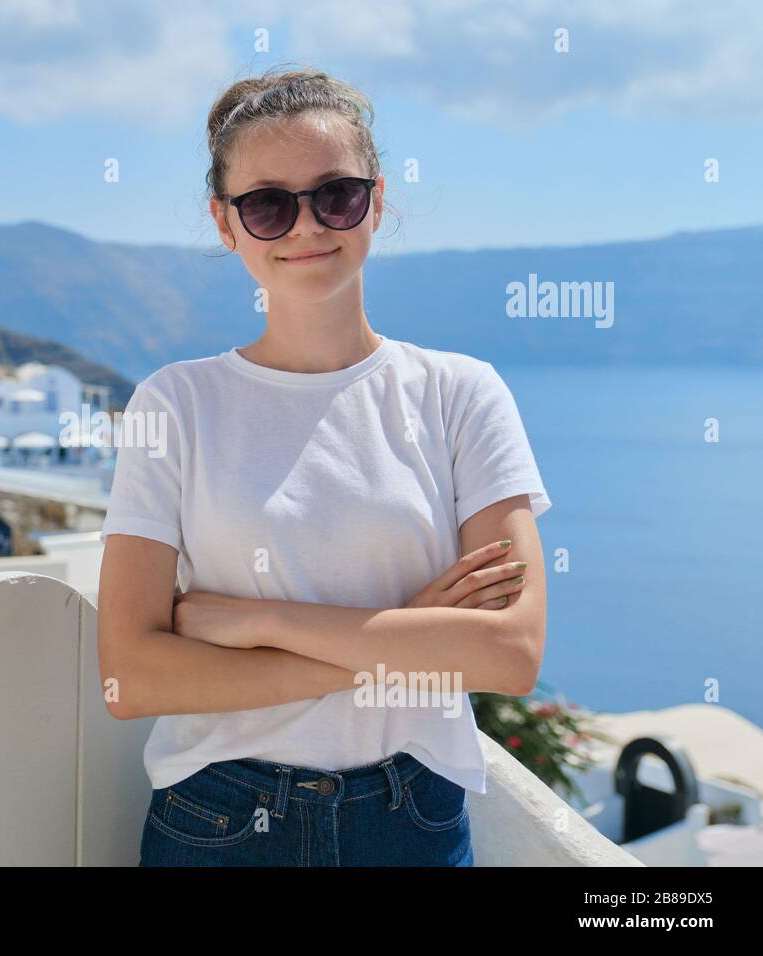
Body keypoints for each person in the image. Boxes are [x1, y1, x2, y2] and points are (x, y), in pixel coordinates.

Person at [99, 67, 551, 868]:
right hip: (220, 821)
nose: (305, 225)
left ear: (376, 200)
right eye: (267, 204)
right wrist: (405, 640)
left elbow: (509, 655)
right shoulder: (175, 405)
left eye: (334, 195)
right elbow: (132, 677)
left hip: (411, 818)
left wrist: (259, 623)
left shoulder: (459, 393)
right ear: (226, 224)